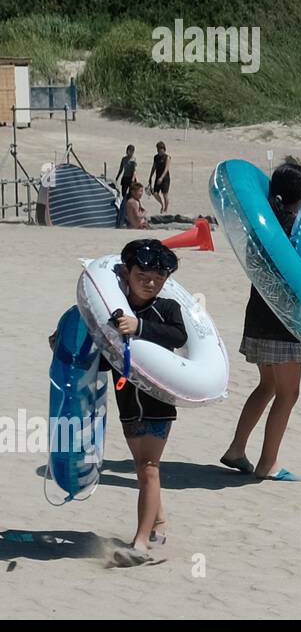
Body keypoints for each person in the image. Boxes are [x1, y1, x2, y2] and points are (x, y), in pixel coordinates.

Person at [221, 159, 301, 483]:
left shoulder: (261, 225)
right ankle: (268, 464)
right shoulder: (298, 228)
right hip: (283, 323)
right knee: (288, 394)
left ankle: (236, 449)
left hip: (258, 317)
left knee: (267, 386)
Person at [93, 240, 184, 567]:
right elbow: (106, 362)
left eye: (158, 277)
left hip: (158, 401)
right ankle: (158, 523)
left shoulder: (168, 309)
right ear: (126, 273)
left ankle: (140, 544)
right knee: (141, 468)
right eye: (142, 274)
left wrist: (141, 327)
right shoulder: (115, 314)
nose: (150, 281)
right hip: (128, 403)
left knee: (149, 468)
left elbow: (178, 337)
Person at [114, 145, 137, 228]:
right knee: (124, 195)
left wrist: (133, 179)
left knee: (131, 196)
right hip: (125, 178)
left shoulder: (133, 160)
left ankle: (131, 211)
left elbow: (134, 171)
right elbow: (121, 169)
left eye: (131, 151)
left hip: (131, 179)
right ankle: (125, 210)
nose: (130, 152)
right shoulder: (124, 159)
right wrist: (117, 177)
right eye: (129, 151)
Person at [146, 141, 171, 214]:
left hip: (165, 178)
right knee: (155, 193)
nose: (159, 151)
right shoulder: (156, 157)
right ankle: (162, 204)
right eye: (158, 149)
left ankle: (166, 209)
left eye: (160, 149)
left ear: (163, 149)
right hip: (157, 177)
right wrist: (150, 176)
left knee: (165, 194)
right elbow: (153, 167)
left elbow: (167, 168)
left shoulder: (167, 157)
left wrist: (161, 178)